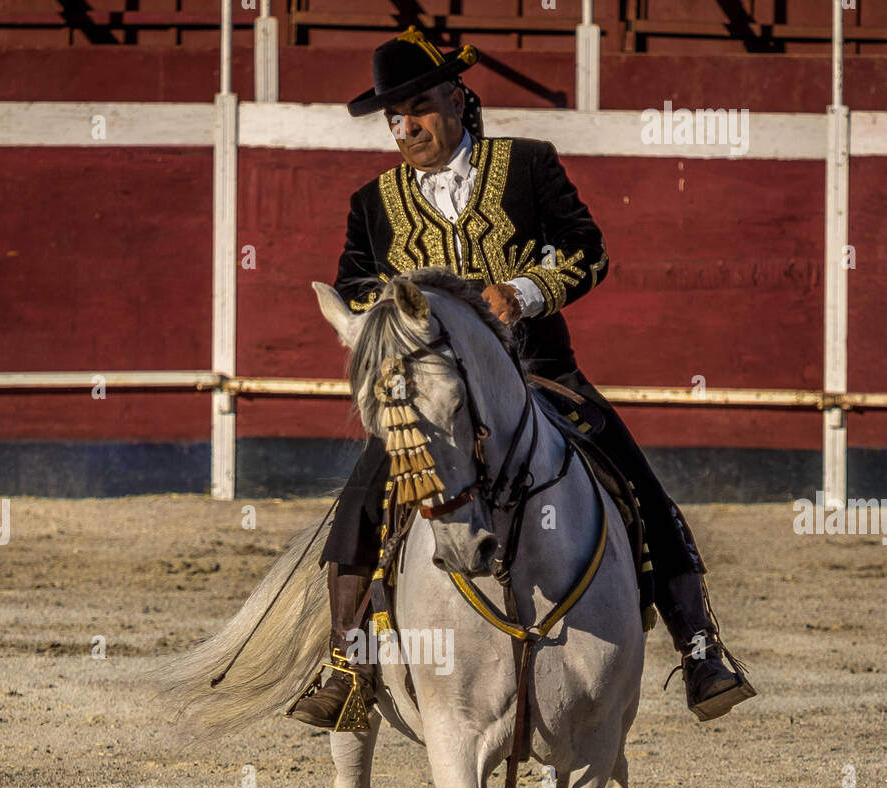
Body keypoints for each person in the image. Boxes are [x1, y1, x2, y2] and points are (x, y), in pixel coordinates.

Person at [290, 26, 754, 729]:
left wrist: (526, 291)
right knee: (361, 498)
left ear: (456, 98)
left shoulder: (528, 164)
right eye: (393, 116)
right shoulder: (373, 203)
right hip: (431, 388)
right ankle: (347, 663)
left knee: (634, 477)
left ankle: (698, 645)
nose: (404, 126)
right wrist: (393, 323)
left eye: (416, 107)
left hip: (538, 372)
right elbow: (357, 289)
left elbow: (587, 250)